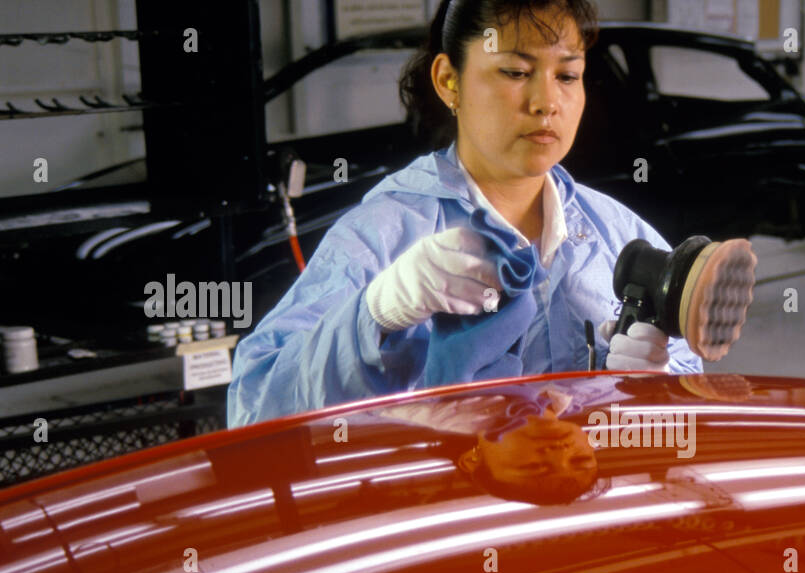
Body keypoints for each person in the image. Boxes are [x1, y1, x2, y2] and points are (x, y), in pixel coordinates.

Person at [227, 0, 705, 428]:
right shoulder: (382, 235)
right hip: (451, 519)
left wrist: (654, 385)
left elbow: (690, 411)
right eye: (515, 72)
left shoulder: (618, 233)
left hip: (585, 515)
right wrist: (377, 313)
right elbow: (254, 409)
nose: (546, 103)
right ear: (448, 81)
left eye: (566, 75)